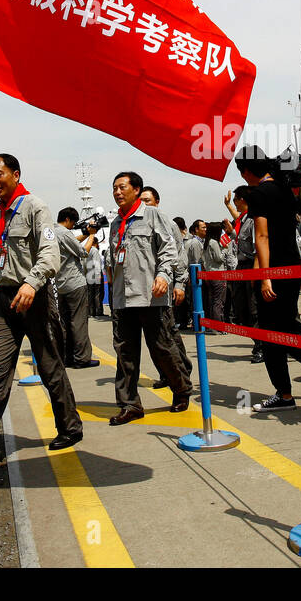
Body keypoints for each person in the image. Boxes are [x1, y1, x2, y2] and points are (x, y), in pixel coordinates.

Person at [0, 154, 84, 470]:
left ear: (15, 174)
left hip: (34, 297)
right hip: (5, 299)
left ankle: (70, 427)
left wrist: (32, 283)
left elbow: (51, 256)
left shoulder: (35, 206)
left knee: (50, 367)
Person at [106, 172, 192, 425]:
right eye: (114, 188)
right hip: (123, 299)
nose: (117, 192)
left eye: (122, 187)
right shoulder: (115, 224)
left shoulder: (154, 216)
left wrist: (166, 276)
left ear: (136, 189)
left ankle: (181, 389)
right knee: (125, 354)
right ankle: (129, 404)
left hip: (151, 296)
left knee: (162, 348)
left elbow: (168, 249)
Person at [235, 146, 301, 414]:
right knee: (288, 327)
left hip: (273, 270)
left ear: (246, 171)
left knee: (271, 335)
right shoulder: (284, 189)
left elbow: (263, 237)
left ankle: (285, 393)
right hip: (292, 268)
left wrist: (265, 276)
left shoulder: (258, 194)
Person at [137, 187, 192, 388]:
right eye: (141, 201)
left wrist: (179, 284)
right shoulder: (135, 223)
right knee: (155, 338)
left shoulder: (168, 224)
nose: (144, 205)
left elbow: (179, 256)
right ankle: (167, 373)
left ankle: (182, 372)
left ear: (157, 202)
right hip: (144, 292)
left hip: (164, 288)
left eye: (148, 200)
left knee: (167, 334)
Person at [55, 207, 100, 369]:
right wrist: (93, 234)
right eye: (73, 223)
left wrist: (87, 233)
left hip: (61, 285)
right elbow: (82, 252)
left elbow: (72, 244)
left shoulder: (53, 232)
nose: (73, 226)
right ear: (68, 220)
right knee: (79, 322)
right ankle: (81, 359)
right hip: (75, 284)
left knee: (66, 324)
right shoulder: (64, 233)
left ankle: (68, 358)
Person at [224, 187, 264, 363]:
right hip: (241, 267)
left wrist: (256, 274)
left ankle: (261, 347)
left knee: (254, 309)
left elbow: (257, 249)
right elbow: (241, 238)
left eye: (235, 201)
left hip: (252, 267)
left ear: (243, 200)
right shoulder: (243, 219)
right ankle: (259, 341)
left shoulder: (255, 219)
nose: (234, 204)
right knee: (241, 310)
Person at [86, 243, 105, 317]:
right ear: (95, 243)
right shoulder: (95, 250)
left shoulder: (87, 250)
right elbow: (96, 262)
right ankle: (98, 311)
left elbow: (84, 262)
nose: (99, 245)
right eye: (98, 243)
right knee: (98, 293)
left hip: (89, 273)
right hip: (95, 274)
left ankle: (91, 312)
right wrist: (98, 275)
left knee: (90, 294)